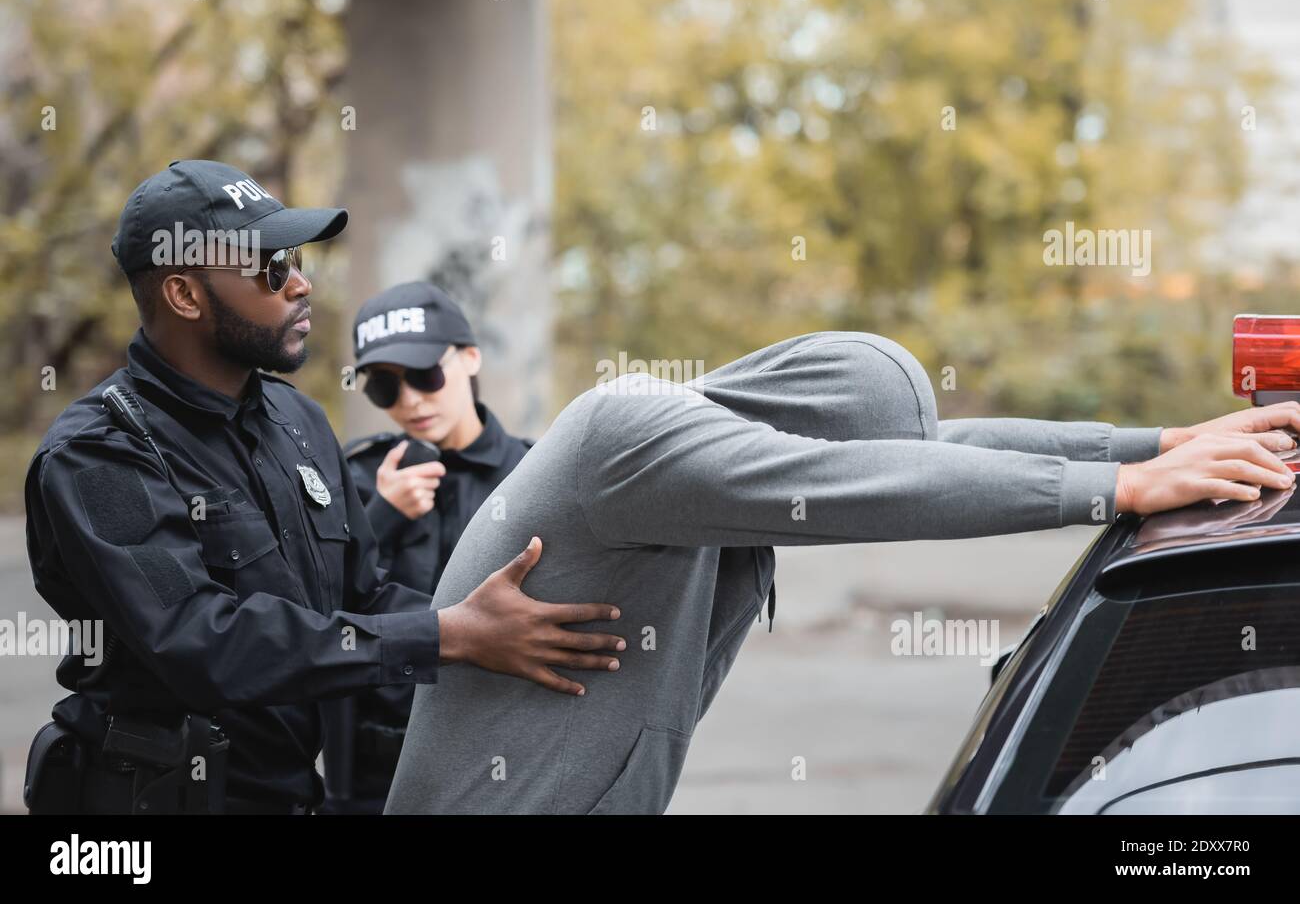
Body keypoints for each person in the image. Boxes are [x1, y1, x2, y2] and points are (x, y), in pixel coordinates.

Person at [384, 330, 1299, 814]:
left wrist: (1158, 444)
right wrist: (1121, 487)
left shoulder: (722, 454)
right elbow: (860, 479)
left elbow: (942, 452)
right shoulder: (632, 434)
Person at [23, 160, 624, 815]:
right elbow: (202, 641)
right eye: (271, 267)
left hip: (292, 795)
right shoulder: (99, 454)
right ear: (185, 295)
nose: (302, 284)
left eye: (297, 258)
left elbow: (361, 594)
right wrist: (450, 633)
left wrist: (518, 617)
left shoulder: (298, 421)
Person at [321, 282, 532, 814]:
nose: (410, 400)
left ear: (470, 358)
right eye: (384, 388)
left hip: (500, 759)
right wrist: (379, 518)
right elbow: (313, 604)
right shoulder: (355, 476)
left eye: (425, 375)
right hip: (372, 775)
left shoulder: (534, 475)